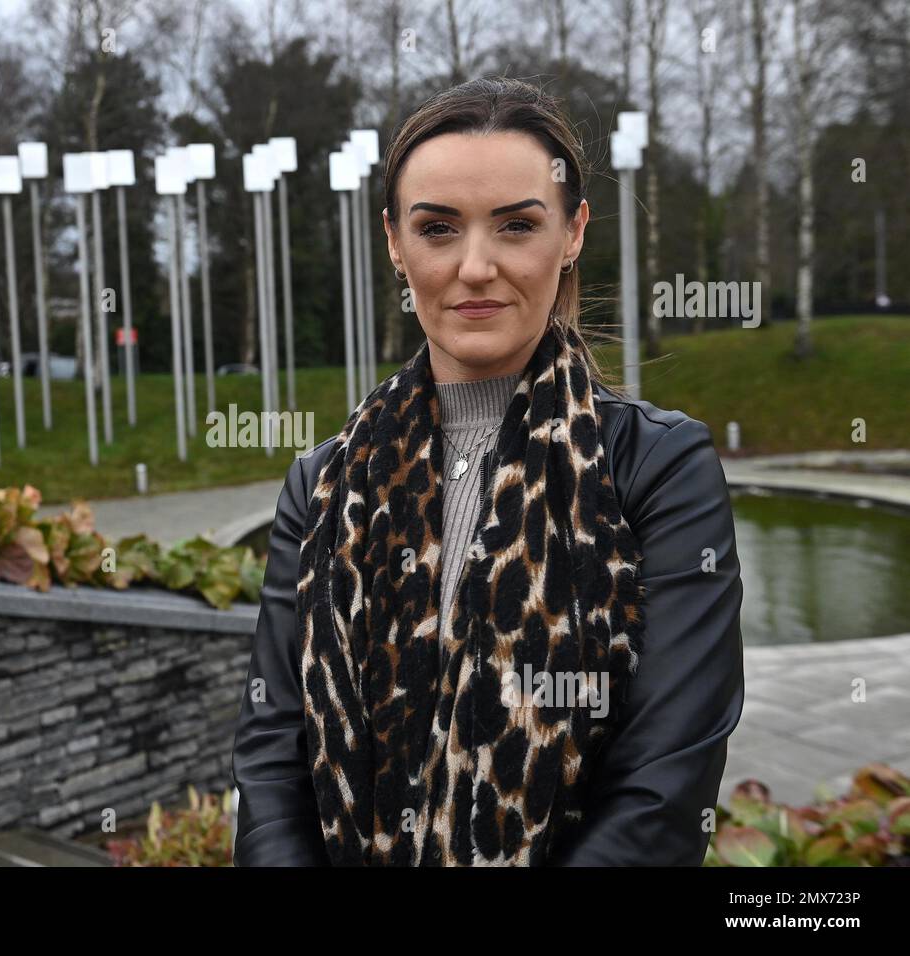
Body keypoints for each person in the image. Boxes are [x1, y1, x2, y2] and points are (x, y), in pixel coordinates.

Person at [230, 76, 745, 866]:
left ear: (572, 232)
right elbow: (272, 762)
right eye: (438, 228)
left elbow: (662, 789)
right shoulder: (321, 484)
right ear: (396, 244)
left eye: (516, 226)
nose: (476, 267)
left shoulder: (659, 467)